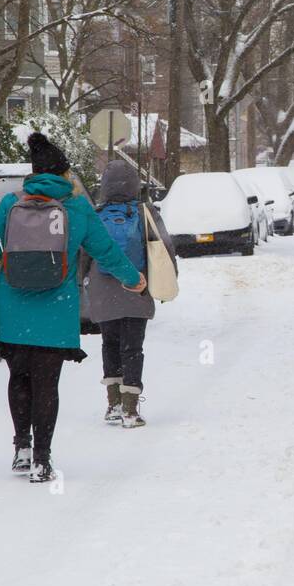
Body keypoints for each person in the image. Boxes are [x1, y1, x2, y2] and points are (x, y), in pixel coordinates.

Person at [0, 133, 146, 483]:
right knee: (46, 384)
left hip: (13, 310)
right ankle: (43, 459)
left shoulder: (11, 203)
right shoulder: (77, 207)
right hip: (55, 312)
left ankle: (21, 448)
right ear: (65, 173)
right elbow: (106, 252)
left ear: (34, 172)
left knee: (19, 378)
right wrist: (133, 280)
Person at [85, 159, 177, 429]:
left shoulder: (94, 215)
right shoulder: (145, 212)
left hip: (102, 288)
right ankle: (130, 409)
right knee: (133, 348)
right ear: (135, 186)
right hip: (137, 285)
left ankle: (112, 404)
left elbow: (83, 253)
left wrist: (84, 282)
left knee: (109, 344)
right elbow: (165, 248)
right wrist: (167, 280)